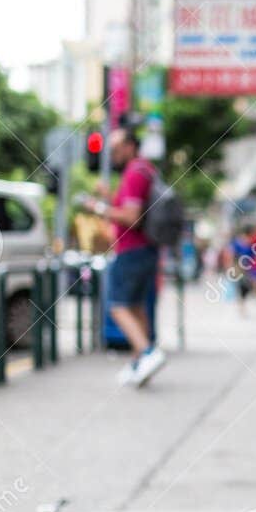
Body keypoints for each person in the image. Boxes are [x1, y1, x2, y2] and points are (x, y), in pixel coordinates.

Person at [80, 126, 167, 387]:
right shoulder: (147, 170)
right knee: (137, 307)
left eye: (116, 149)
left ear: (130, 146)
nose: (113, 154)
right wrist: (109, 198)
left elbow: (132, 217)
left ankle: (149, 353)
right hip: (146, 249)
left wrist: (98, 207)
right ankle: (139, 361)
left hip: (131, 250)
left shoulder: (134, 173)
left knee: (118, 306)